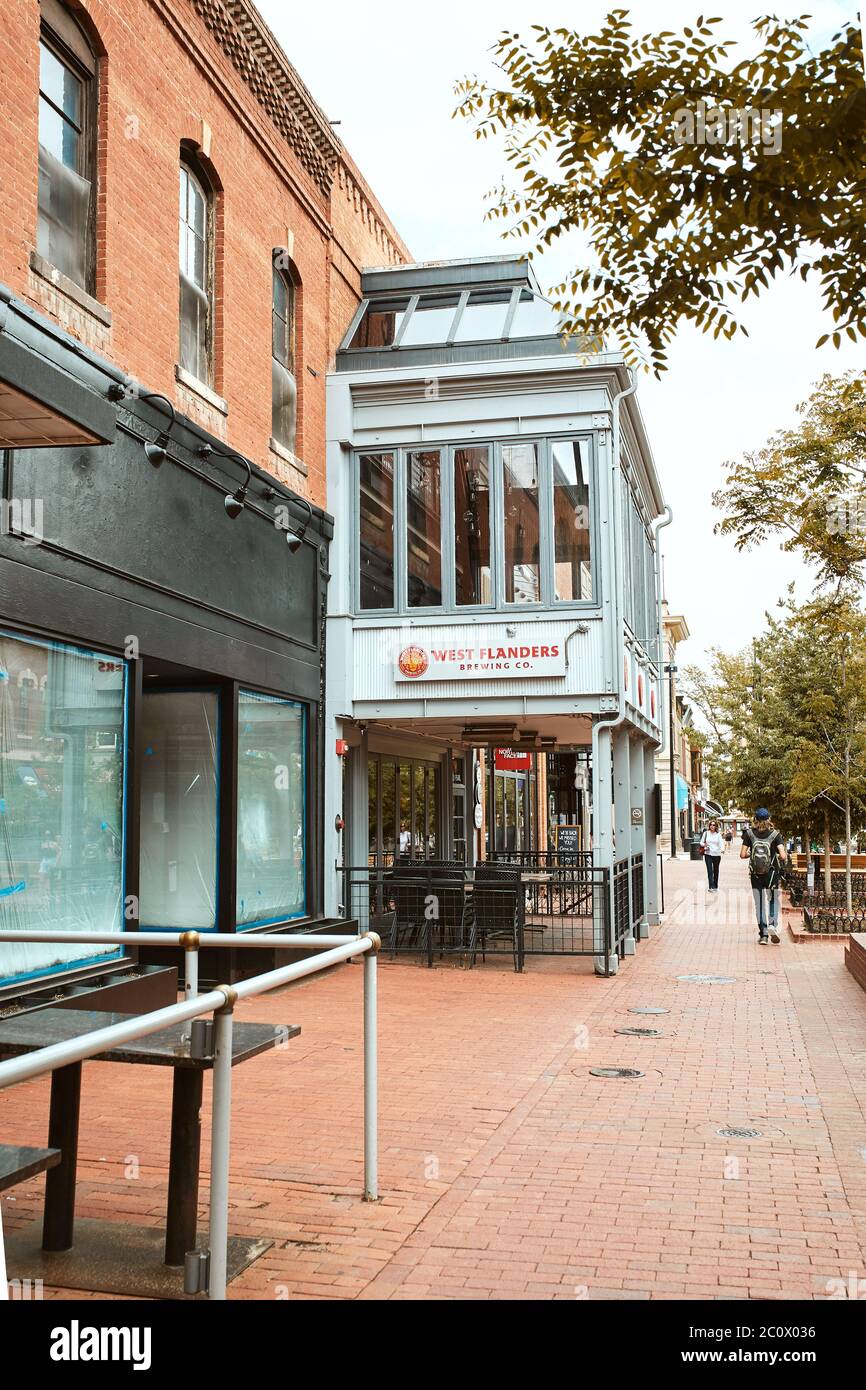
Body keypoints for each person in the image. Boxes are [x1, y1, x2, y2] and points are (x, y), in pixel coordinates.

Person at [741, 808, 787, 944]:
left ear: (755, 819)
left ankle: (764, 935)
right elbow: (783, 856)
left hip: (755, 874)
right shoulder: (775, 834)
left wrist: (752, 855)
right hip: (772, 873)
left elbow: (743, 854)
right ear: (769, 819)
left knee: (759, 903)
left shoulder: (749, 834)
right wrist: (774, 856)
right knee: (772, 900)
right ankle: (773, 924)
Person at [700, 819, 725, 892]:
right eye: (711, 824)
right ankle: (711, 886)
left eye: (714, 825)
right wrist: (704, 844)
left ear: (716, 826)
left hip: (717, 855)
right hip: (708, 854)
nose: (712, 826)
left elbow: (721, 843)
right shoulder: (706, 833)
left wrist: (722, 849)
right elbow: (701, 842)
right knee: (710, 871)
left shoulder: (718, 834)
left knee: (716, 871)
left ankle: (715, 886)